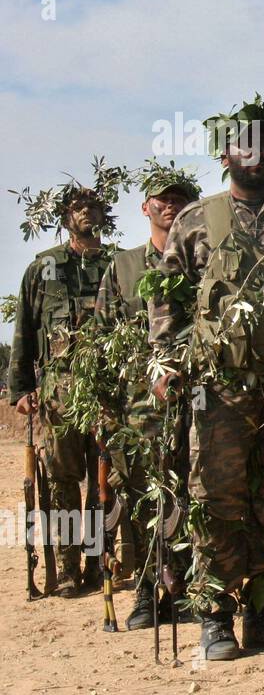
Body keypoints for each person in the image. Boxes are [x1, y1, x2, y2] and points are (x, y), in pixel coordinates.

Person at [149, 95, 264, 660]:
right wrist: (166, 362)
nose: (256, 152)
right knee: (216, 500)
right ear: (225, 154)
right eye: (244, 142)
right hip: (216, 388)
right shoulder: (197, 220)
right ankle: (215, 614)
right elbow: (168, 300)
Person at [95, 161, 201, 628]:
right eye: (162, 197)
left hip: (192, 400)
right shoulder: (122, 266)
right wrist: (102, 403)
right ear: (145, 207)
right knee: (140, 497)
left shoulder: (203, 258)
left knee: (188, 494)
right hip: (136, 408)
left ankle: (184, 589)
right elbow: (99, 336)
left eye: (180, 197)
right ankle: (145, 591)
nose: (171, 204)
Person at [10, 184, 117, 596]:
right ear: (64, 216)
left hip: (108, 391)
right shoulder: (43, 269)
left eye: (92, 205)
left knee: (107, 480)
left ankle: (102, 561)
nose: (86, 212)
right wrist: (19, 389)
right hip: (59, 395)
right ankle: (70, 569)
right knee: (62, 483)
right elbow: (25, 331)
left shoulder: (118, 265)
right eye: (77, 206)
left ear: (103, 215)